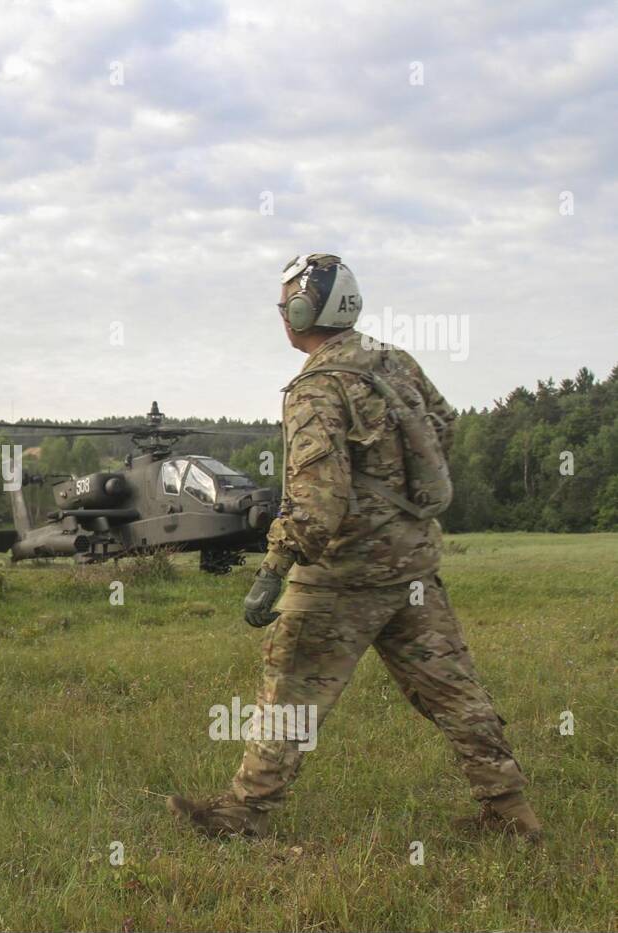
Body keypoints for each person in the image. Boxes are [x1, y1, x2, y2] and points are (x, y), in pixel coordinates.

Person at [168, 254, 541, 841]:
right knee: (452, 689)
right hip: (413, 564)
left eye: (284, 304)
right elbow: (444, 424)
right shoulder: (393, 362)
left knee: (290, 693)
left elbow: (316, 504)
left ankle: (243, 814)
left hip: (345, 572)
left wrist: (273, 569)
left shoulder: (316, 387)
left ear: (300, 312)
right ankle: (511, 811)